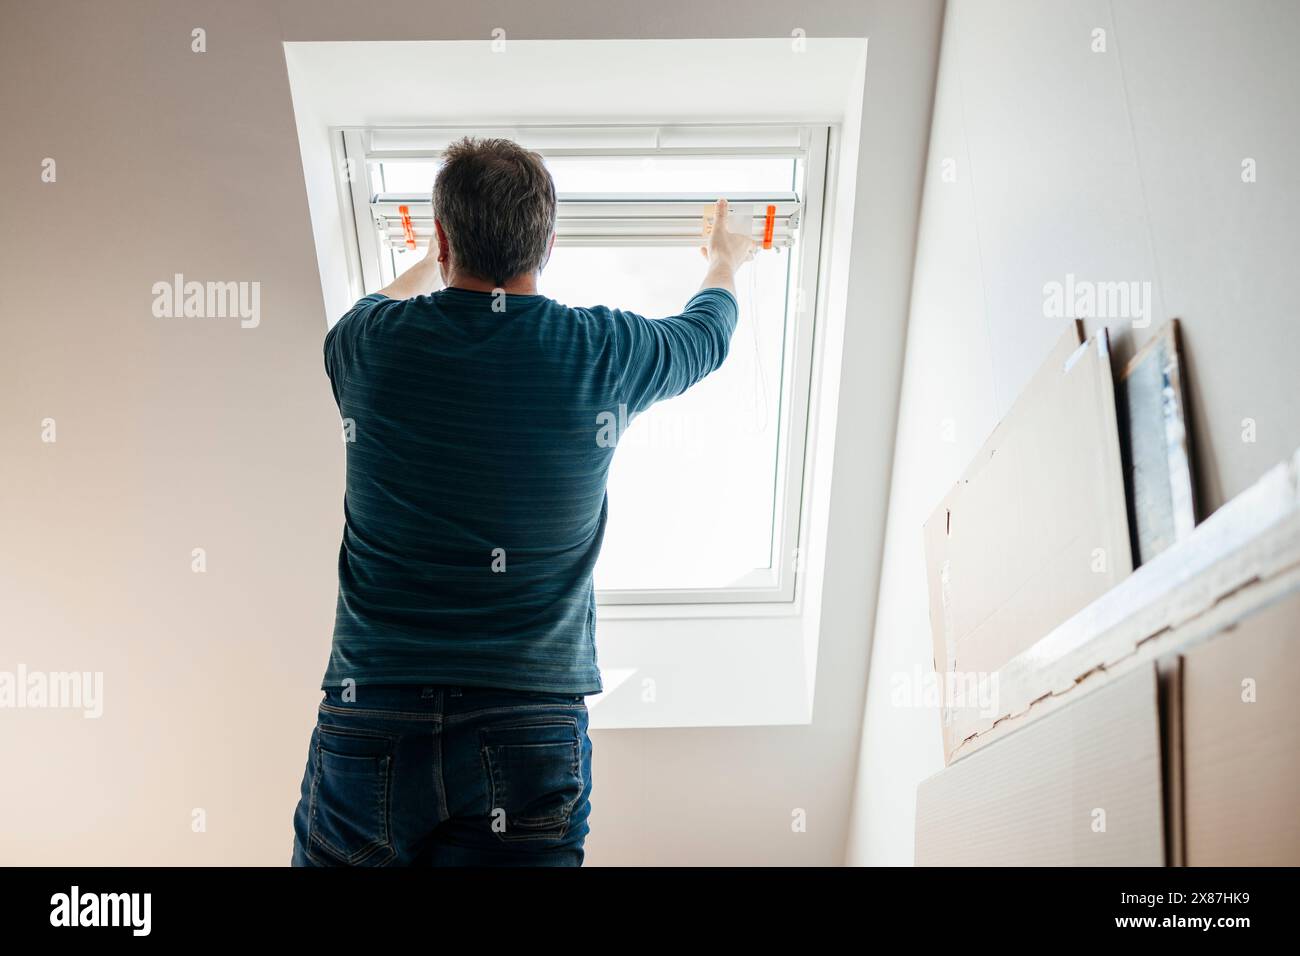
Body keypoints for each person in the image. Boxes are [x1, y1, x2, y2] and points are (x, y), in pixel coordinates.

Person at [291, 137, 754, 866]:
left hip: (373, 713)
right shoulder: (603, 351)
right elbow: (707, 333)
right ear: (548, 242)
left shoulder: (364, 348)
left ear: (444, 238)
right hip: (527, 725)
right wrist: (724, 258)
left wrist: (428, 261)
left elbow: (383, 299)